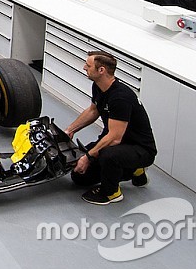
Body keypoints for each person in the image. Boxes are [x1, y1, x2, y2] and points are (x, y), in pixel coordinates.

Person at [65, 50, 157, 205]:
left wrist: (88, 157)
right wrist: (70, 130)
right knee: (79, 177)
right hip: (118, 142)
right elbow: (93, 110)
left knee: (107, 155)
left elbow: (114, 138)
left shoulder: (120, 97)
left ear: (101, 70)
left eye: (88, 65)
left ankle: (111, 193)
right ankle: (135, 170)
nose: (83, 67)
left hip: (139, 148)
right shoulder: (98, 86)